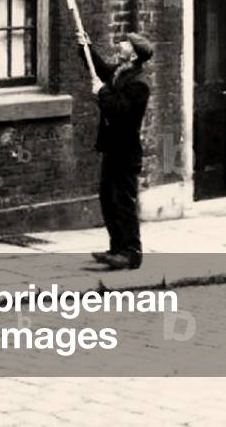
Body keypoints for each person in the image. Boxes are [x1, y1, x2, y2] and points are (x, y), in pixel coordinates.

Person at [77, 29, 153, 270]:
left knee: (123, 202)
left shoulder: (139, 85)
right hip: (112, 149)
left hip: (126, 153)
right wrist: (86, 46)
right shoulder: (121, 74)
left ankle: (131, 253)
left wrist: (101, 92)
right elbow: (100, 68)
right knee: (108, 200)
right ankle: (116, 248)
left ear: (134, 56)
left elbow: (120, 112)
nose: (120, 44)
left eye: (126, 44)